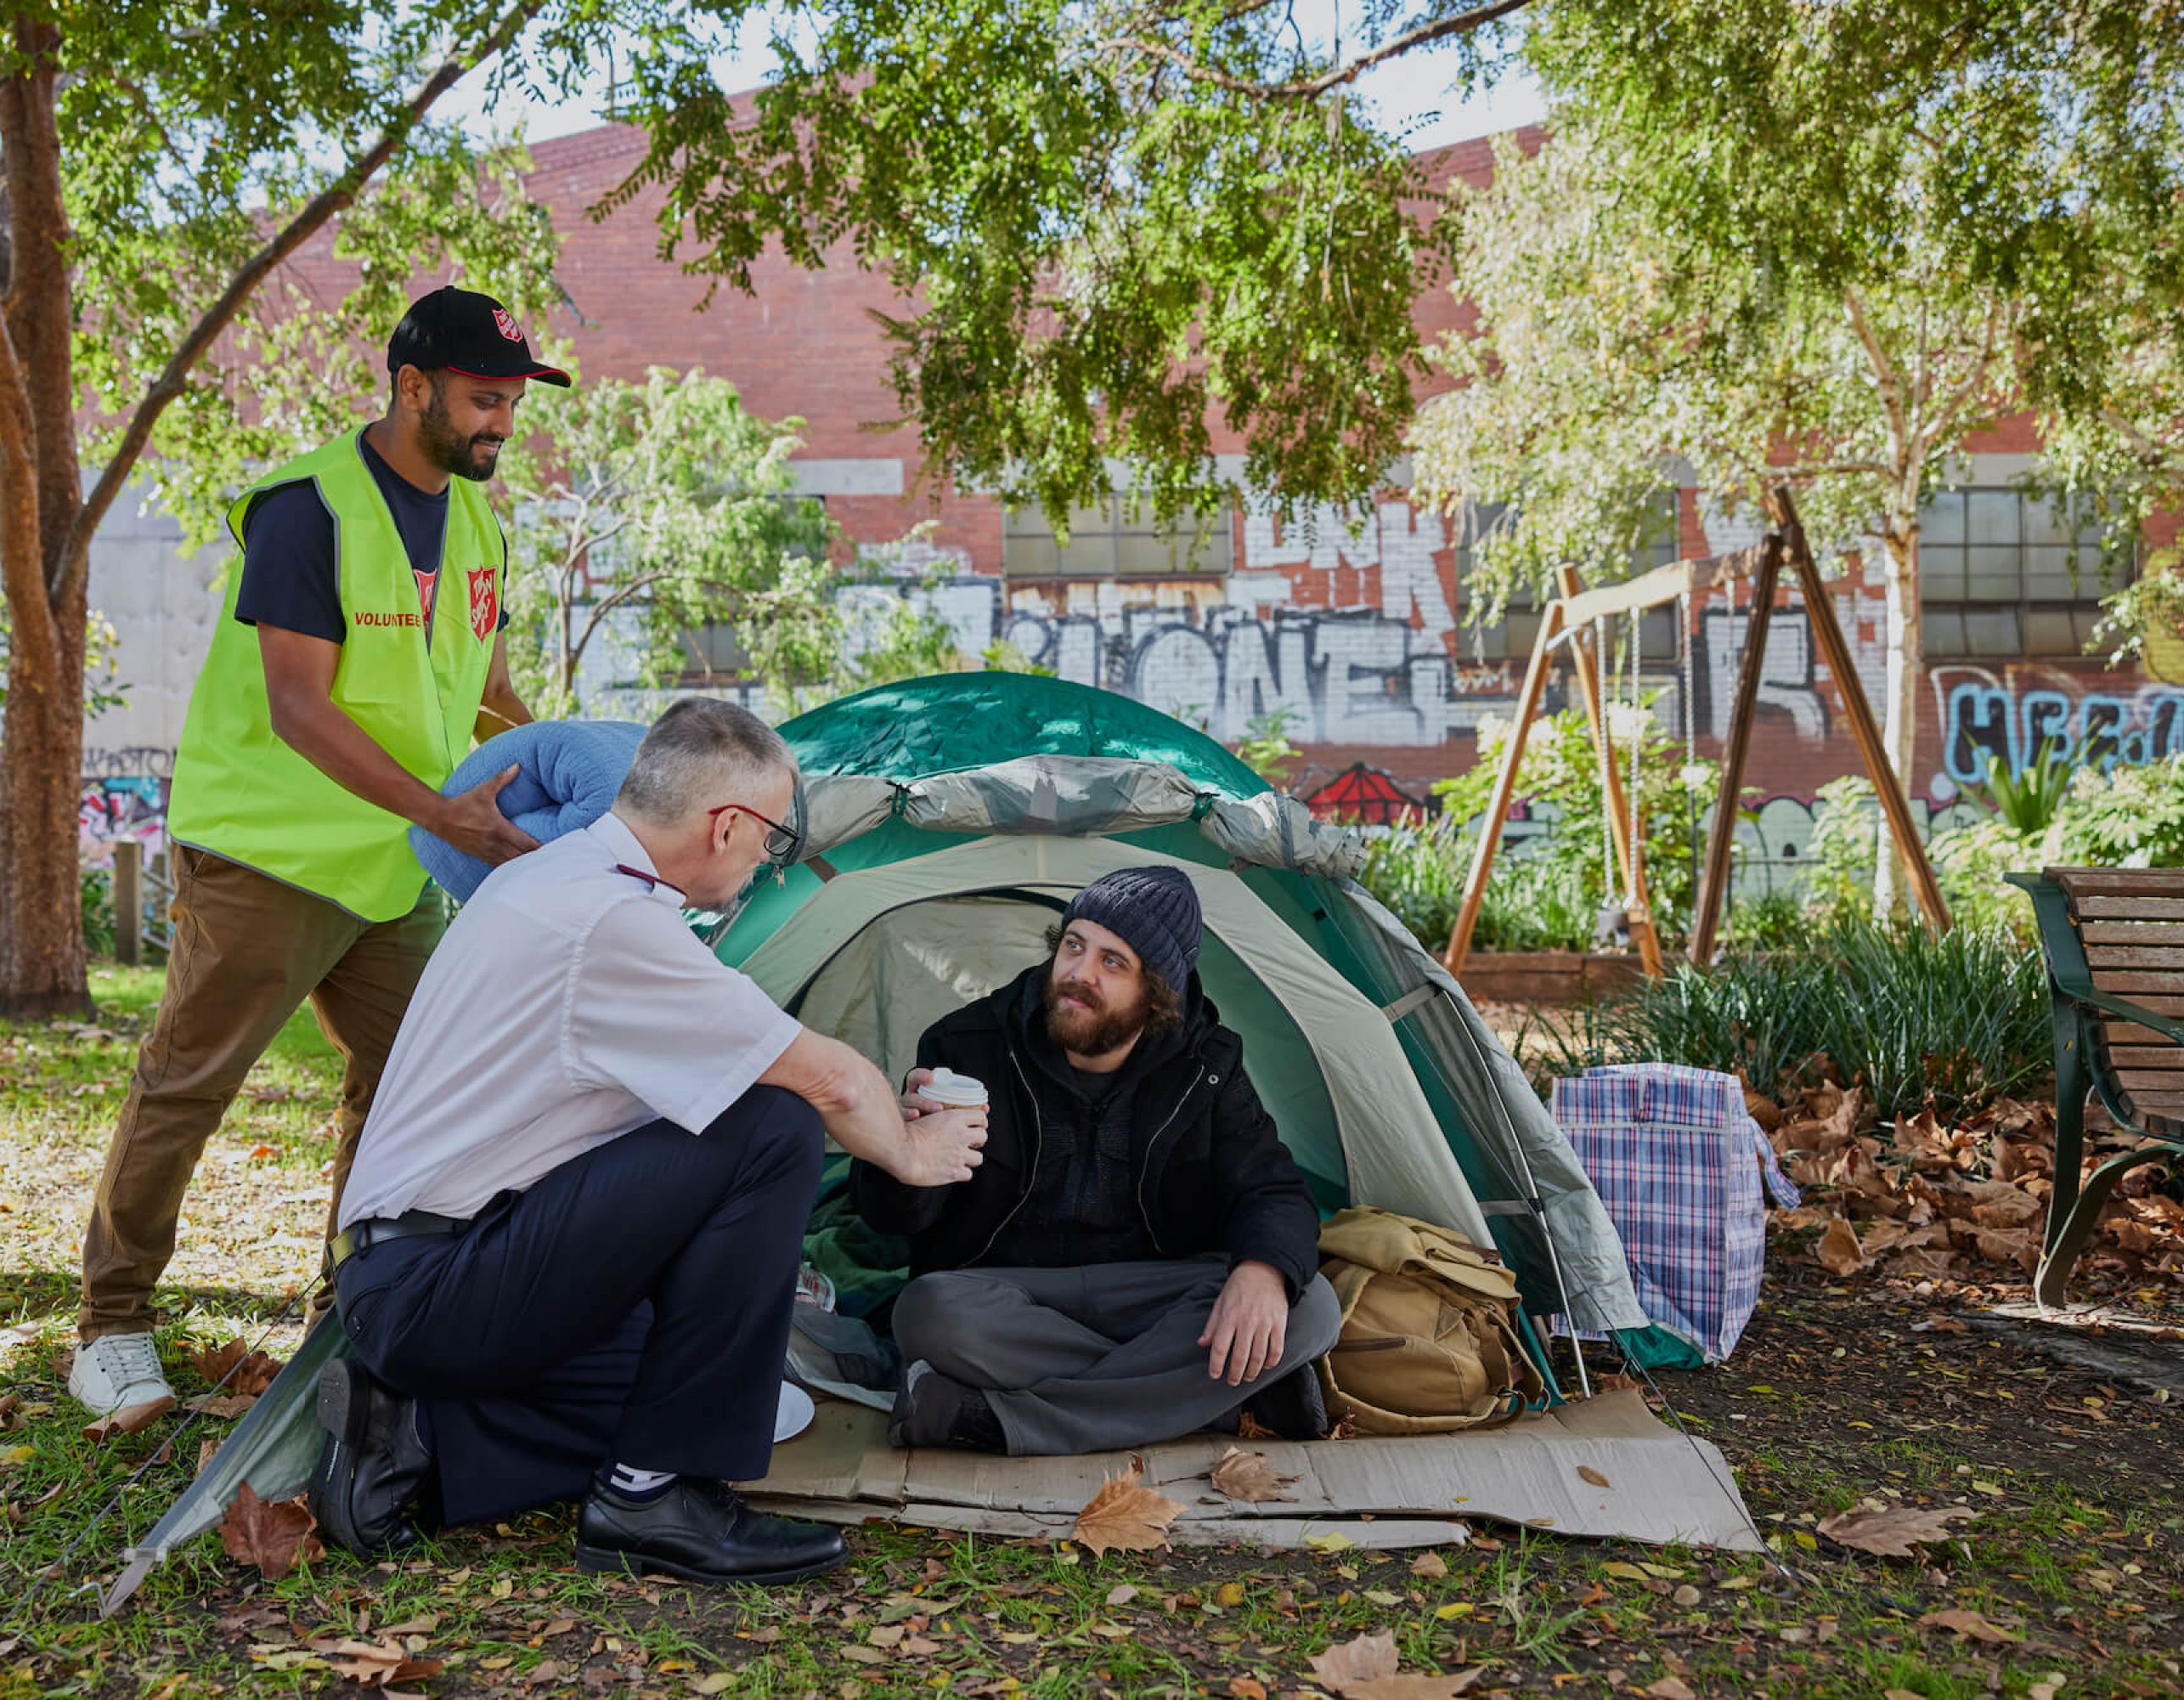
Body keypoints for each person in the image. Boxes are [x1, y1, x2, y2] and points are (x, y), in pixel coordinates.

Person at [309, 698, 990, 1584]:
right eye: (773, 843)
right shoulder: (613, 923)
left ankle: (418, 1435)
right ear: (726, 827)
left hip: (428, 1272)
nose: (769, 867)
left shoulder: (557, 879)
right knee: (774, 1123)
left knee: (737, 1396)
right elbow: (827, 1079)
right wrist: (914, 1155)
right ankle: (650, 1500)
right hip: (436, 1283)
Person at [71, 287, 569, 1419]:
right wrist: (447, 818)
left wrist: (577, 777)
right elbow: (299, 706)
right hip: (269, 850)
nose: (502, 422)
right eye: (486, 399)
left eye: (513, 403)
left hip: (396, 862)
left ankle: (348, 1313)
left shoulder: (483, 522)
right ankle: (111, 1324)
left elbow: (484, 692)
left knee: (407, 1094)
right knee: (189, 1083)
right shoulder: (308, 508)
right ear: (412, 387)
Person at [855, 866, 1343, 1456]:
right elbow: (892, 1218)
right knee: (927, 1313)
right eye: (1074, 945)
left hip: (1149, 1294)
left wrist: (1263, 1271)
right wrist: (901, 1150)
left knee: (1310, 1304)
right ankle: (1222, 1403)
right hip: (1011, 1296)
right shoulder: (967, 1046)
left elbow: (1274, 1187)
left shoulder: (1206, 1065)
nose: (1078, 973)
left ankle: (995, 1421)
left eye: (1113, 962)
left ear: (1157, 993)